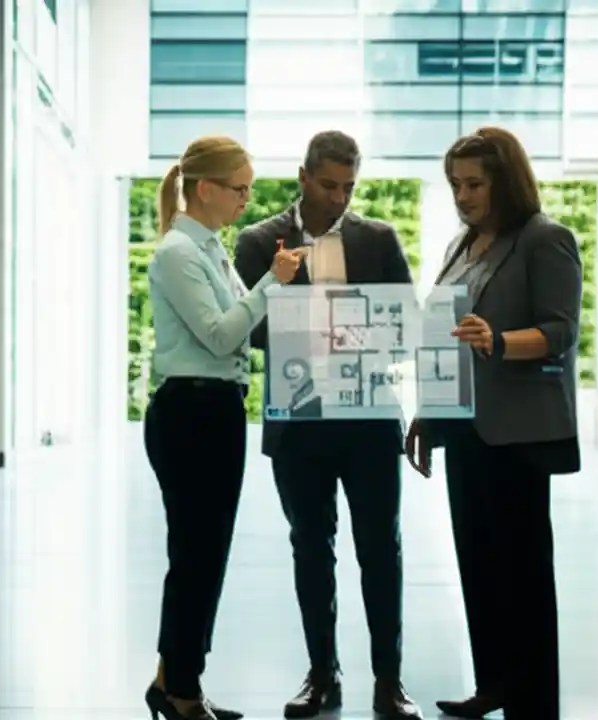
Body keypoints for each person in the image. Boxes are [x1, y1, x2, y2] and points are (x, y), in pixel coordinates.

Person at [234, 131, 423, 720]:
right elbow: (251, 331)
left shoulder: (379, 239)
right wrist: (331, 325)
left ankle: (389, 681)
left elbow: (406, 327)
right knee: (311, 548)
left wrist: (327, 328)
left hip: (369, 418)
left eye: (349, 187)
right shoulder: (258, 242)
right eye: (328, 185)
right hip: (299, 420)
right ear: (303, 177)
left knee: (381, 548)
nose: (339, 198)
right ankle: (322, 675)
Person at [404, 126, 582, 720]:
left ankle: (533, 704)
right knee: (478, 565)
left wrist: (499, 341)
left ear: (506, 181)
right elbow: (446, 334)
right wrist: (429, 412)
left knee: (523, 578)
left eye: (474, 184)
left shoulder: (545, 239)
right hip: (466, 429)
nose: (463, 195)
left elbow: (560, 331)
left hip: (518, 435)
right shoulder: (463, 245)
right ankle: (494, 685)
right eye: (455, 184)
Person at [143, 135, 307, 720]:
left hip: (214, 410)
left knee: (205, 552)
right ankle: (181, 689)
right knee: (196, 553)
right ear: (206, 188)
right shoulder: (178, 253)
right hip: (192, 414)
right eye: (239, 189)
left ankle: (176, 677)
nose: (246, 200)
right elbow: (219, 334)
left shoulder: (208, 247)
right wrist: (271, 282)